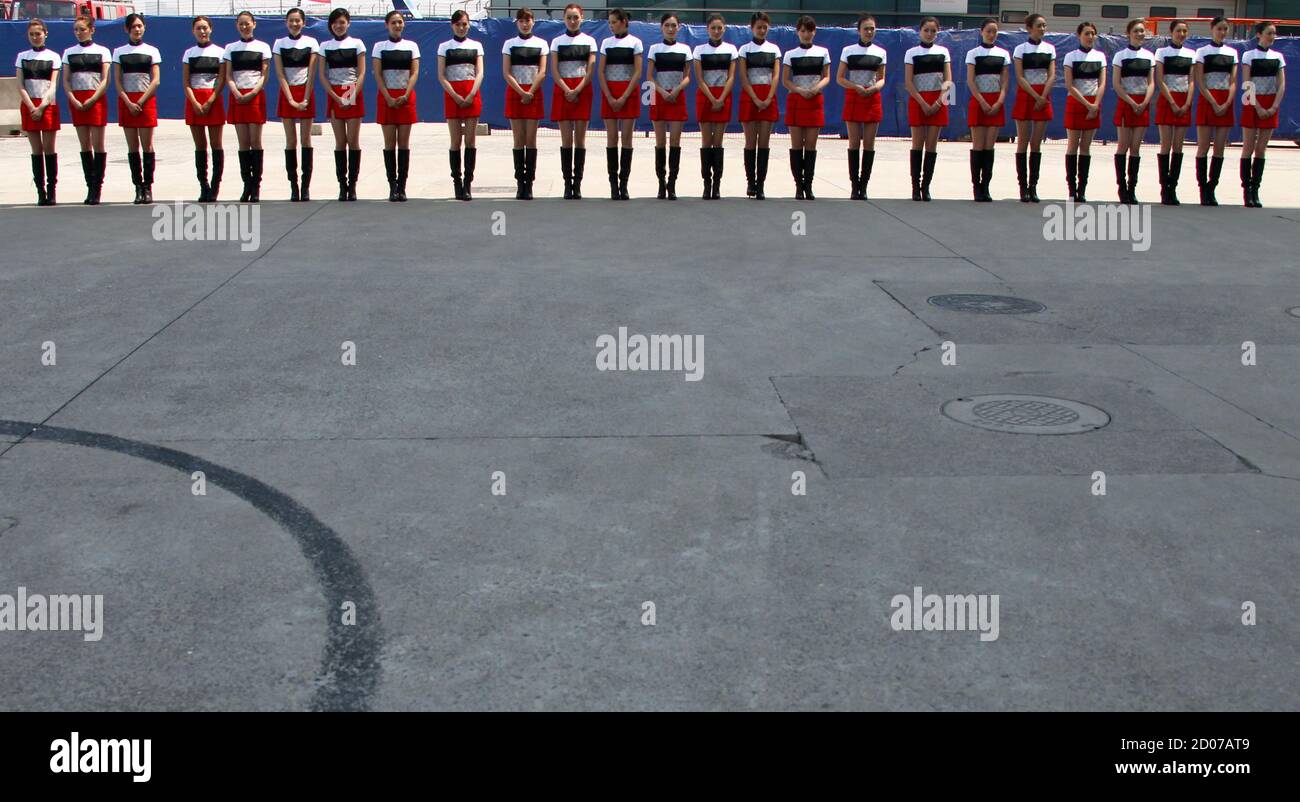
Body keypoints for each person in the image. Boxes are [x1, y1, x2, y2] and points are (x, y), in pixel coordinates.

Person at [113, 13, 161, 204]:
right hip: (127, 102)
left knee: (147, 146)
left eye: (140, 26)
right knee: (133, 147)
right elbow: (117, 80)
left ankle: (148, 187)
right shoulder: (119, 52)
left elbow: (156, 79)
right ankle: (138, 187)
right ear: (127, 29)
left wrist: (140, 101)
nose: (137, 29)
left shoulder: (152, 51)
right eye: (133, 27)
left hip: (145, 100)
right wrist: (128, 101)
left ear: (144, 28)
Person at [62, 15, 110, 205]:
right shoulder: (68, 53)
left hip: (95, 99)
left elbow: (105, 79)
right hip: (77, 100)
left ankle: (97, 188)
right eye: (76, 30)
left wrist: (93, 98)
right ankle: (89, 186)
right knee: (84, 145)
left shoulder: (103, 51)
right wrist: (73, 98)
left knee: (98, 144)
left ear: (92, 30)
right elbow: (65, 79)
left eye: (83, 29)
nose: (79, 33)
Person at [549, 4, 596, 199]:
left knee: (580, 139)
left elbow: (590, 70)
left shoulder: (590, 41)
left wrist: (577, 89)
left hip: (582, 91)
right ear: (564, 19)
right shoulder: (557, 41)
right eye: (569, 17)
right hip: (563, 90)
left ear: (582, 18)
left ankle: (578, 184)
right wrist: (567, 89)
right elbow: (554, 69)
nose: (572, 21)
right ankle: (567, 183)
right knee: (566, 139)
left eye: (576, 17)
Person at [373, 10, 420, 202]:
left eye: (400, 22)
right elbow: (377, 74)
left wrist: (406, 94)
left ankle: (402, 186)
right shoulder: (379, 47)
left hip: (405, 97)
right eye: (393, 22)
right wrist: (388, 96)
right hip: (387, 98)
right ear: (387, 25)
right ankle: (392, 186)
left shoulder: (412, 46)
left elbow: (414, 73)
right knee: (389, 143)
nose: (397, 25)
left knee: (404, 143)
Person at [224, 12, 272, 202]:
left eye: (248, 24)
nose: (245, 27)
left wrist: (252, 93)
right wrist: (236, 92)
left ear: (254, 24)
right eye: (241, 24)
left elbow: (264, 75)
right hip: (237, 97)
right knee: (243, 143)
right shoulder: (230, 48)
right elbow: (228, 75)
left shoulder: (263, 47)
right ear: (237, 26)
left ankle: (256, 186)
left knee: (255, 141)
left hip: (255, 96)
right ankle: (247, 185)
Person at [437, 10, 484, 200]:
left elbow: (480, 72)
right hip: (452, 95)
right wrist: (455, 95)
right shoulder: (444, 47)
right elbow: (441, 75)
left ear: (469, 25)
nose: (461, 27)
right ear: (452, 25)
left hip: (472, 94)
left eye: (464, 24)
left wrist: (471, 93)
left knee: (470, 141)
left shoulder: (477, 46)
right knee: (456, 141)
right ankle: (457, 182)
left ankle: (468, 183)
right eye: (458, 24)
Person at [319, 8, 365, 201]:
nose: (339, 25)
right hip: (335, 93)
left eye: (342, 22)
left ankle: (352, 185)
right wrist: (336, 97)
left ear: (348, 23)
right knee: (340, 142)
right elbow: (323, 74)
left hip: (352, 90)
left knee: (353, 141)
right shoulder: (325, 46)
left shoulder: (357, 43)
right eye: (335, 22)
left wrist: (351, 94)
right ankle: (342, 184)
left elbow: (361, 72)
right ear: (331, 25)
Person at [273, 7, 319, 202]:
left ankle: (306, 186)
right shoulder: (279, 44)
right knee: (291, 141)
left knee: (306, 140)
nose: (294, 24)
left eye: (297, 20)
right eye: (291, 20)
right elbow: (280, 73)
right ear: (286, 22)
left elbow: (312, 73)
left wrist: (305, 98)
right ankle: (294, 186)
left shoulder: (311, 43)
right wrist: (291, 99)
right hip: (287, 93)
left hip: (305, 92)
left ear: (303, 22)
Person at [782, 15, 830, 200]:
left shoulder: (823, 52)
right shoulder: (790, 54)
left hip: (814, 100)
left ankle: (808, 185)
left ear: (814, 32)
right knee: (796, 145)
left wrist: (816, 88)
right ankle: (798, 185)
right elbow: (786, 80)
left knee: (810, 145)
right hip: (796, 100)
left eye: (809, 30)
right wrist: (800, 90)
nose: (806, 34)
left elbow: (826, 76)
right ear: (797, 32)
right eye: (802, 31)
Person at [836, 13, 884, 200]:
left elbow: (882, 78)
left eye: (872, 28)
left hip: (872, 98)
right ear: (859, 30)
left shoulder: (880, 52)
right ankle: (854, 185)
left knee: (869, 144)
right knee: (854, 143)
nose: (869, 31)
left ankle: (864, 185)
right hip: (854, 97)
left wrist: (874, 88)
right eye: (866, 28)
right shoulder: (848, 50)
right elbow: (840, 78)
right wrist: (855, 86)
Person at [1239, 21, 1287, 208]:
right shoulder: (1249, 55)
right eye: (1269, 33)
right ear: (1259, 34)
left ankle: (1256, 189)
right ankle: (1247, 190)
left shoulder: (1278, 57)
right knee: (1248, 148)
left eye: (1274, 33)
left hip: (1270, 103)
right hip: (1252, 102)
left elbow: (1281, 83)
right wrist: (1258, 106)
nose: (1272, 36)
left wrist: (1274, 105)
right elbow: (1247, 82)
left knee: (1261, 149)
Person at [503, 7, 548, 199]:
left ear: (533, 22)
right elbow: (507, 72)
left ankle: (529, 184)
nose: (525, 23)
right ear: (517, 23)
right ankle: (519, 183)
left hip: (533, 94)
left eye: (528, 20)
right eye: (521, 20)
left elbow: (543, 71)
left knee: (531, 139)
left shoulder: (542, 44)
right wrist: (521, 91)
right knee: (518, 140)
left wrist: (530, 91)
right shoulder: (509, 44)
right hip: (516, 94)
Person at [904, 16, 951, 201]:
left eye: (933, 31)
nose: (930, 34)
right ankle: (915, 186)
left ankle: (926, 186)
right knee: (917, 143)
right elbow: (908, 82)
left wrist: (939, 102)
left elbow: (948, 81)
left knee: (931, 145)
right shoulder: (911, 53)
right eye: (926, 30)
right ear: (920, 31)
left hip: (938, 100)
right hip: (918, 99)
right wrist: (923, 102)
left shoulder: (944, 52)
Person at [599, 8, 643, 200]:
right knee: (611, 139)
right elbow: (600, 72)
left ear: (624, 21)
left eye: (614, 22)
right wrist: (609, 96)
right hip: (610, 92)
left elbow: (637, 72)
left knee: (626, 139)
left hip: (628, 93)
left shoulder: (635, 42)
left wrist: (624, 96)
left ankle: (624, 184)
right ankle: (613, 185)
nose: (611, 26)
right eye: (609, 23)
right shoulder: (606, 43)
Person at [964, 17, 1010, 202]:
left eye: (994, 31)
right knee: (978, 146)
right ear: (981, 32)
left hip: (996, 102)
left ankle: (986, 186)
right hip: (979, 101)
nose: (992, 34)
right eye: (988, 31)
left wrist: (999, 102)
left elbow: (1005, 81)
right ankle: (976, 187)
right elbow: (970, 80)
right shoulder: (973, 54)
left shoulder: (1003, 54)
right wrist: (982, 101)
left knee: (989, 147)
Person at [1193, 16, 1237, 206]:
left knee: (1220, 148)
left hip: (1225, 101)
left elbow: (1233, 81)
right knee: (1204, 146)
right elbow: (1200, 80)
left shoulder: (1232, 53)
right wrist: (1213, 101)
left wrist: (1226, 102)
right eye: (1219, 28)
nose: (1222, 32)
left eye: (1225, 29)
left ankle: (1212, 187)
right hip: (1207, 100)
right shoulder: (1202, 52)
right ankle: (1203, 188)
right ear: (1212, 29)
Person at [646, 12, 691, 199]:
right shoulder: (654, 49)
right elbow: (649, 77)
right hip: (658, 96)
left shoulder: (686, 49)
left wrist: (677, 90)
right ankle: (661, 183)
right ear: (661, 28)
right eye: (667, 25)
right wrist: (663, 92)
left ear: (679, 27)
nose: (671, 29)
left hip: (677, 97)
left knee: (675, 142)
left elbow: (688, 76)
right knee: (660, 142)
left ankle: (672, 183)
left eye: (674, 25)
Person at [182, 15, 227, 202]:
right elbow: (186, 82)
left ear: (211, 29)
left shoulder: (220, 52)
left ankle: (215, 186)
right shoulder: (188, 53)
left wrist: (210, 101)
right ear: (193, 31)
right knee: (200, 146)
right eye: (198, 28)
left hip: (213, 100)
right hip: (194, 101)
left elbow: (222, 79)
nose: (202, 31)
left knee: (216, 145)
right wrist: (195, 101)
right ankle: (204, 185)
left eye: (205, 28)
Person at [693, 14, 737, 199]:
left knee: (718, 142)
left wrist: (721, 98)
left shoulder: (731, 49)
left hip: (724, 96)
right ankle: (706, 184)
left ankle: (717, 185)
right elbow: (699, 78)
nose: (717, 31)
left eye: (720, 28)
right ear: (707, 29)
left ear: (724, 29)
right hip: (706, 96)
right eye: (713, 28)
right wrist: (712, 98)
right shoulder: (699, 50)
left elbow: (731, 77)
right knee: (706, 141)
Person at [17, 18, 60, 206]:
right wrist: (31, 106)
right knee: (36, 150)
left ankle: (52, 190)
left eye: (38, 33)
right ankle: (40, 191)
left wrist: (42, 106)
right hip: (29, 106)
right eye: (32, 34)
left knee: (49, 149)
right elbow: (20, 85)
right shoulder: (21, 56)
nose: (35, 37)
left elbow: (53, 85)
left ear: (45, 34)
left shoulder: (54, 56)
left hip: (47, 105)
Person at [1012, 13, 1054, 202]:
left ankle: (1033, 186)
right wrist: (1036, 95)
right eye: (1039, 26)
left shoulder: (1050, 49)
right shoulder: (1020, 49)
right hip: (1027, 94)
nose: (1043, 29)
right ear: (1029, 28)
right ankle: (1022, 187)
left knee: (1036, 144)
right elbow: (1020, 77)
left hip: (1043, 96)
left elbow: (1051, 75)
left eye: (1044, 25)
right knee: (1022, 142)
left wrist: (1042, 96)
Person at [738, 11, 781, 199]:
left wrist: (769, 97)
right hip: (750, 96)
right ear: (752, 28)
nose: (762, 30)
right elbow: (743, 76)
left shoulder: (775, 49)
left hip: (768, 97)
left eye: (765, 27)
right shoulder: (744, 50)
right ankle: (751, 182)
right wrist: (755, 98)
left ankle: (761, 184)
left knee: (764, 142)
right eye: (758, 27)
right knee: (750, 142)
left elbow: (776, 75)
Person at [1112, 19, 1154, 204]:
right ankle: (1121, 188)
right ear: (1129, 33)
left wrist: (1144, 101)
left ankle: (1132, 187)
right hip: (1126, 103)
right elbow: (1116, 83)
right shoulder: (1120, 56)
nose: (1140, 34)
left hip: (1142, 103)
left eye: (1142, 31)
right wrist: (1131, 101)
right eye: (1136, 31)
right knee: (1124, 145)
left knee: (1136, 148)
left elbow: (1151, 82)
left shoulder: (1149, 56)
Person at [1063, 21, 1106, 202]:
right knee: (1073, 145)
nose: (1090, 37)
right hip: (1076, 103)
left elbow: (1102, 83)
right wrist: (1087, 105)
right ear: (1079, 35)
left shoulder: (1100, 56)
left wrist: (1094, 105)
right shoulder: (1070, 57)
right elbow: (1069, 84)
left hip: (1093, 104)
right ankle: (1072, 189)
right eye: (1086, 33)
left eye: (1092, 34)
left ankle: (1082, 188)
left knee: (1086, 147)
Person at [1154, 18, 1195, 205]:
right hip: (1167, 100)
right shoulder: (1162, 52)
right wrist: (1171, 101)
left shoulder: (1191, 54)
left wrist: (1187, 103)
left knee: (1178, 146)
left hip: (1184, 100)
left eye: (1185, 31)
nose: (1182, 34)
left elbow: (1192, 80)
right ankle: (1164, 188)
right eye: (1179, 30)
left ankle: (1173, 187)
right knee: (1166, 145)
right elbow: (1160, 79)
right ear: (1172, 32)